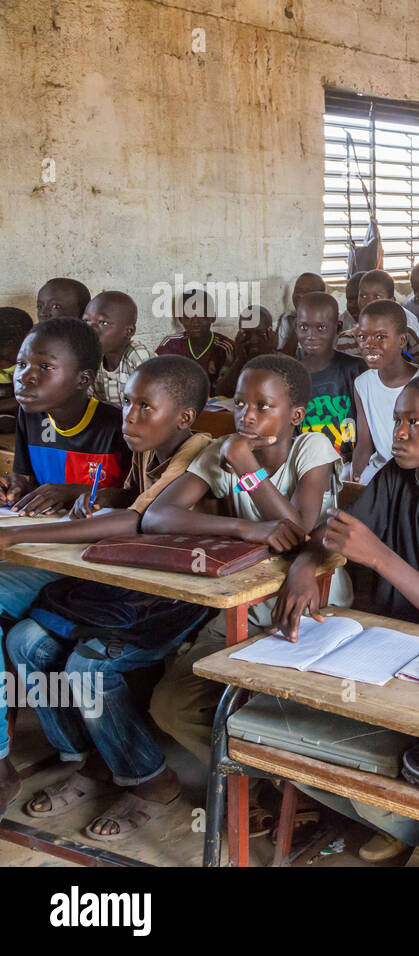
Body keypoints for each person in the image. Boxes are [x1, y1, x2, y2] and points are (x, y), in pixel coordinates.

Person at [271, 370, 419, 860]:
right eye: (397, 420)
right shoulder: (393, 477)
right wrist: (302, 564)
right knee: (293, 725)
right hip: (382, 643)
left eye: (414, 423)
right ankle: (389, 815)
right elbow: (336, 533)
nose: (398, 433)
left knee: (376, 751)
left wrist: (378, 557)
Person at [0, 356, 213, 840]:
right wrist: (98, 495)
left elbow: (137, 521)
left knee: (87, 668)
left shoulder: (199, 452)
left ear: (183, 417)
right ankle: (90, 757)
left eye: (144, 407)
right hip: (132, 588)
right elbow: (133, 499)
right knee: (25, 642)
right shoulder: (150, 444)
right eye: (127, 403)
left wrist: (15, 540)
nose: (129, 418)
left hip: (178, 600)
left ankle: (151, 778)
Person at [145, 354, 350, 763]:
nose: (247, 415)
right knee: (171, 706)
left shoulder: (312, 448)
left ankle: (285, 780)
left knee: (281, 713)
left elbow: (300, 534)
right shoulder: (225, 449)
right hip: (243, 601)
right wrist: (244, 529)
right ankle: (253, 779)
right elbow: (156, 517)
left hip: (312, 600)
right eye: (239, 403)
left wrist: (245, 465)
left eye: (262, 406)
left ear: (296, 414)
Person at [0, 319, 131, 525]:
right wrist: (15, 487)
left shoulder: (121, 425)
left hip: (101, 534)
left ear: (83, 379)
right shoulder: (31, 416)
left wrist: (72, 492)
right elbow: (28, 480)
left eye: (45, 366)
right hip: (44, 529)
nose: (24, 377)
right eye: (22, 364)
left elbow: (141, 495)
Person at [351, 301, 419, 483]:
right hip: (379, 472)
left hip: (414, 472)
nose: (369, 344)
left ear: (402, 340)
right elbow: (364, 444)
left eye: (381, 337)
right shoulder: (363, 383)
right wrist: (356, 480)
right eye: (362, 337)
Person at [293, 291, 367, 458]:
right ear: (296, 327)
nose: (311, 336)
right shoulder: (289, 376)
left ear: (338, 327)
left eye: (321, 328)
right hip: (306, 465)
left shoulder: (356, 369)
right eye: (304, 327)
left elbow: (369, 426)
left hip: (351, 463)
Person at [155, 289, 235, 387]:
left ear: (213, 317)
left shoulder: (225, 347)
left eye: (202, 316)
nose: (196, 323)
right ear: (180, 319)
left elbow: (232, 386)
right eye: (189, 316)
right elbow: (155, 377)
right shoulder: (170, 344)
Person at [85, 291, 152, 407]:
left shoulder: (138, 357)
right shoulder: (92, 359)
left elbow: (157, 404)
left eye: (103, 323)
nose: (91, 330)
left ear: (128, 331)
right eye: (86, 321)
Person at [212, 306, 280, 398]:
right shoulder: (235, 354)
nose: (253, 340)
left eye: (260, 333)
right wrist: (240, 360)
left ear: (271, 333)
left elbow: (274, 392)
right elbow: (220, 391)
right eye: (247, 334)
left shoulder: (280, 359)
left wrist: (265, 356)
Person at [357, 269, 419, 346]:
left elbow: (414, 356)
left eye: (377, 297)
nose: (369, 302)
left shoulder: (407, 328)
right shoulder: (352, 335)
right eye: (363, 296)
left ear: (391, 301)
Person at [275, 272, 327, 352]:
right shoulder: (288, 319)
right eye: (297, 290)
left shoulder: (334, 321)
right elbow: (283, 358)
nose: (299, 295)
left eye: (307, 292)